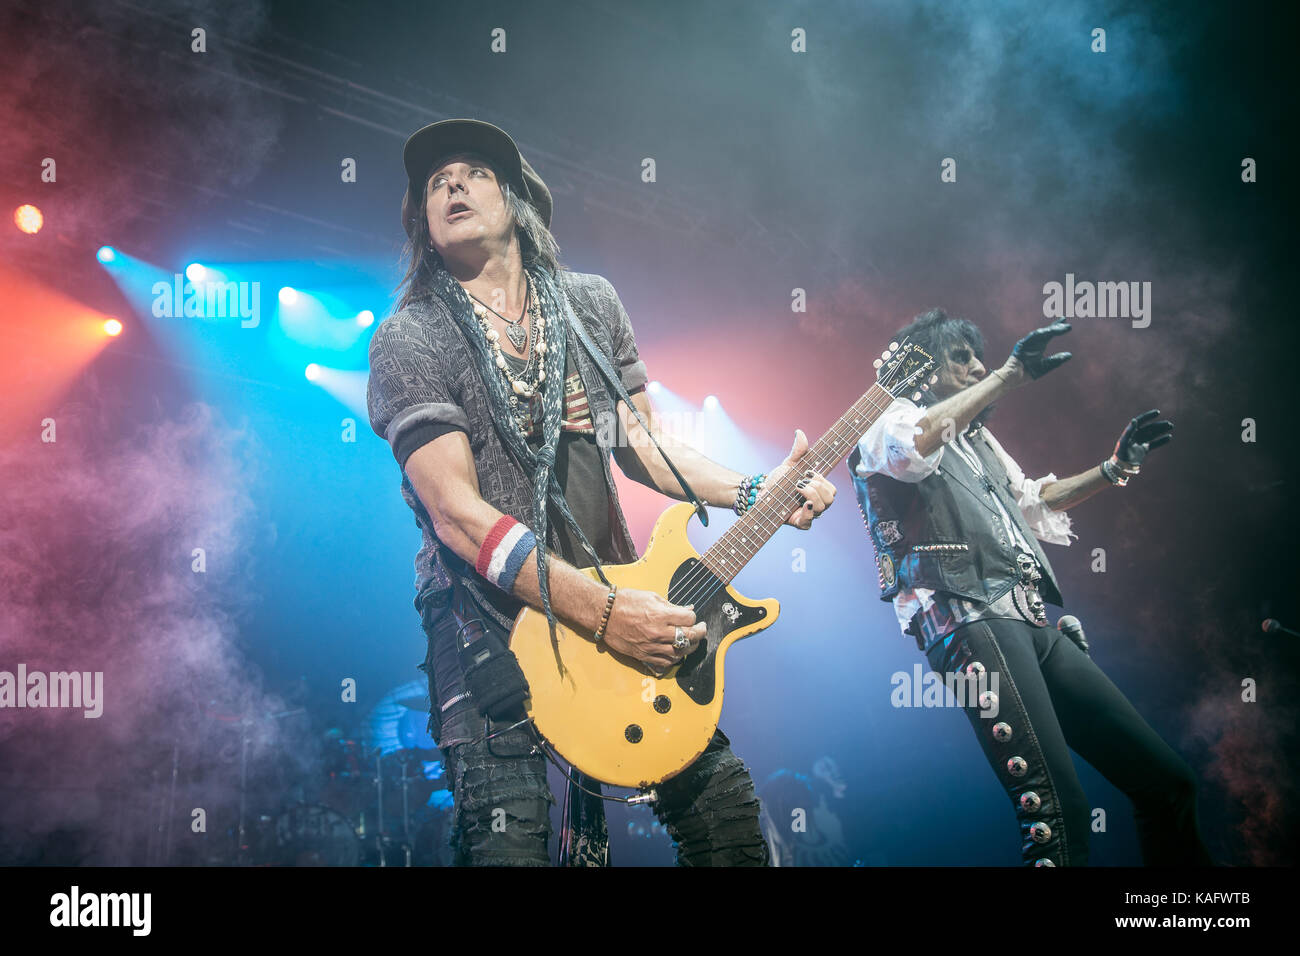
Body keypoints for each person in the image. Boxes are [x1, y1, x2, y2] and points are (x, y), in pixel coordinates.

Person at [365, 118, 836, 866]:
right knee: (509, 841)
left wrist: (757, 490)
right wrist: (605, 614)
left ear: (518, 201)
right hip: (490, 622)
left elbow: (641, 447)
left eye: (475, 172)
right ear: (422, 223)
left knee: (729, 830)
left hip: (615, 601)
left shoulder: (590, 305)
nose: (452, 184)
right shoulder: (409, 338)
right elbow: (455, 514)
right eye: (435, 183)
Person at [848, 308, 1212, 866]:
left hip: (1030, 620)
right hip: (969, 618)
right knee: (1057, 813)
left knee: (1169, 783)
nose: (976, 368)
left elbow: (1034, 503)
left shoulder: (980, 444)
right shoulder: (885, 420)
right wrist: (1009, 376)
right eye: (960, 357)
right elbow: (913, 448)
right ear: (920, 365)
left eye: (979, 358)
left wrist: (1113, 468)